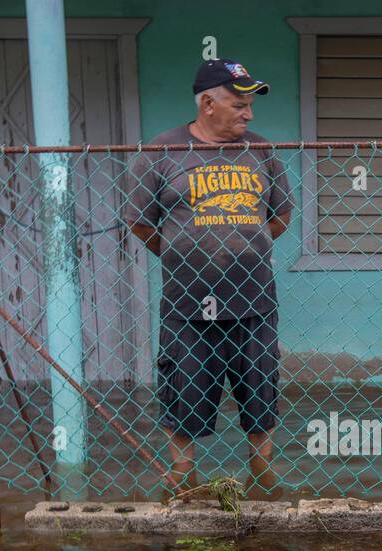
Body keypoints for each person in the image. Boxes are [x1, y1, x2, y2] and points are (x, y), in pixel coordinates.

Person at [126, 59, 291, 500]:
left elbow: (281, 216)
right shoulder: (161, 152)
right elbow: (141, 223)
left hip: (254, 298)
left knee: (260, 390)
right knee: (184, 390)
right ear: (207, 102)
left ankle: (261, 473)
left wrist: (242, 246)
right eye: (239, 105)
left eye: (250, 106)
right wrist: (187, 254)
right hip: (188, 301)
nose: (248, 114)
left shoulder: (262, 152)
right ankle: (182, 478)